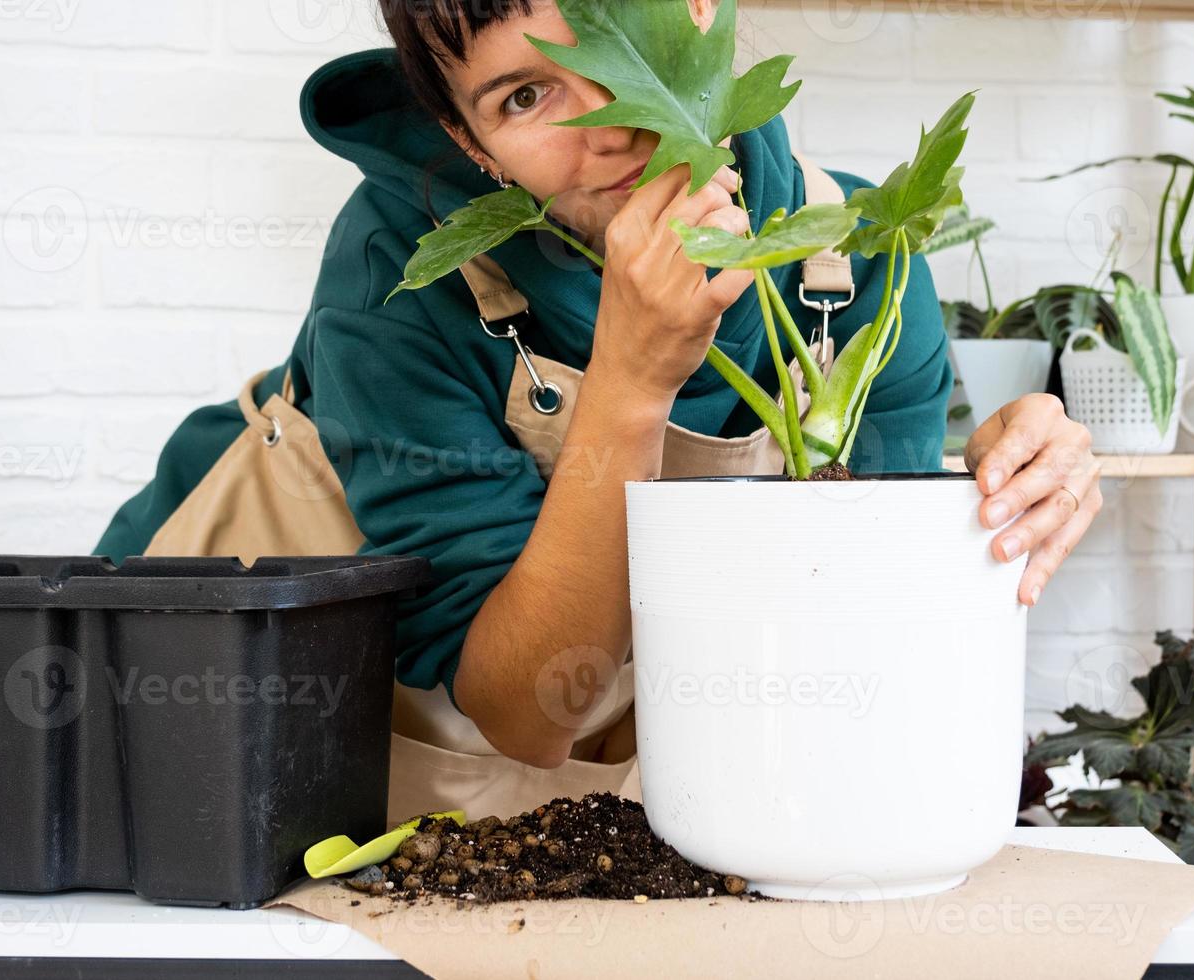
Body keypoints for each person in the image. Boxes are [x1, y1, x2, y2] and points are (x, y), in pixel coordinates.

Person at [95, 0, 1101, 822]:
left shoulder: (862, 259)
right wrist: (629, 380)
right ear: (468, 140)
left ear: (700, 13)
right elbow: (530, 716)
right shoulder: (394, 281)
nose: (608, 132)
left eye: (623, 43)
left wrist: (973, 503)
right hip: (193, 702)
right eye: (527, 94)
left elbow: (854, 634)